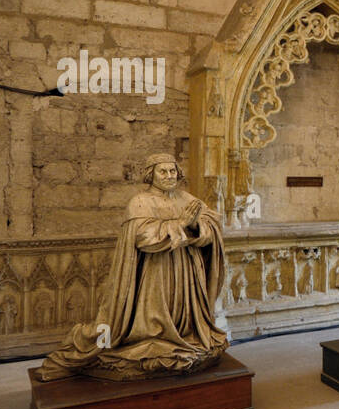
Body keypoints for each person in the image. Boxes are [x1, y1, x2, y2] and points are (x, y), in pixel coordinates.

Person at [34, 153, 227, 380]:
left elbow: (213, 225)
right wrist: (180, 224)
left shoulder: (187, 199)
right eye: (162, 171)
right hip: (156, 271)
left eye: (172, 171)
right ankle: (155, 339)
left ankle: (181, 337)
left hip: (186, 270)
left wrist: (196, 226)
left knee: (183, 319)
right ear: (150, 175)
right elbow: (143, 238)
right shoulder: (140, 202)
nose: (169, 176)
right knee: (154, 318)